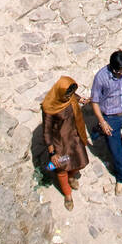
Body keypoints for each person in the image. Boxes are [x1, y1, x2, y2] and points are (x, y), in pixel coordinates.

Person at [90, 49, 122, 195]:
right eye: (119, 72)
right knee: (116, 152)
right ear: (113, 68)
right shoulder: (101, 77)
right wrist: (102, 122)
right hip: (111, 117)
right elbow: (95, 101)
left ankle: (116, 146)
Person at [41, 75, 90, 212]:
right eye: (68, 94)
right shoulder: (49, 107)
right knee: (61, 168)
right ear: (60, 92)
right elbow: (46, 132)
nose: (70, 97)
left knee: (78, 160)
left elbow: (73, 96)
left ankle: (72, 177)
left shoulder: (69, 96)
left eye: (71, 93)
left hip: (74, 137)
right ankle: (67, 195)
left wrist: (80, 99)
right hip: (60, 144)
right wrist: (52, 153)